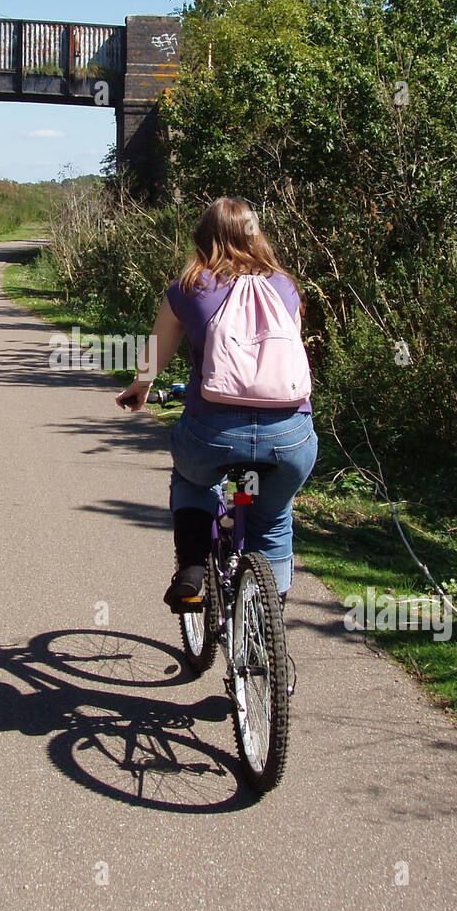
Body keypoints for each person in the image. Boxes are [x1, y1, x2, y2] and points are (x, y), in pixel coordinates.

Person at [116, 196, 318, 612]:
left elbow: (154, 357)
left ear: (202, 238)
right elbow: (291, 359)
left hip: (213, 433)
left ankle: (192, 570)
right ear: (256, 234)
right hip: (289, 437)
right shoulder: (285, 287)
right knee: (274, 516)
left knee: (193, 480)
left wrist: (139, 388)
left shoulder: (188, 289)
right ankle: (268, 620)